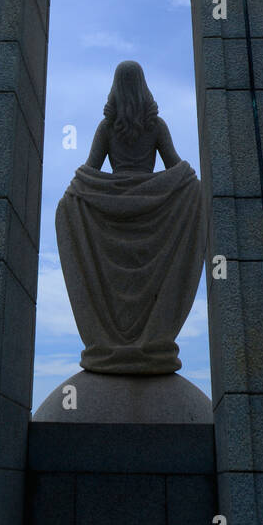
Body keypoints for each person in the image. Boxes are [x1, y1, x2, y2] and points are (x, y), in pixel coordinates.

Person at [56, 60, 205, 375]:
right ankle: (147, 341)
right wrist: (190, 183)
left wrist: (73, 197)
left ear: (115, 87)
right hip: (153, 206)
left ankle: (113, 341)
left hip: (114, 208)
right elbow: (175, 166)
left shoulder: (107, 127)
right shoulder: (155, 125)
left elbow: (90, 170)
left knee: (69, 211)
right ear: (143, 85)